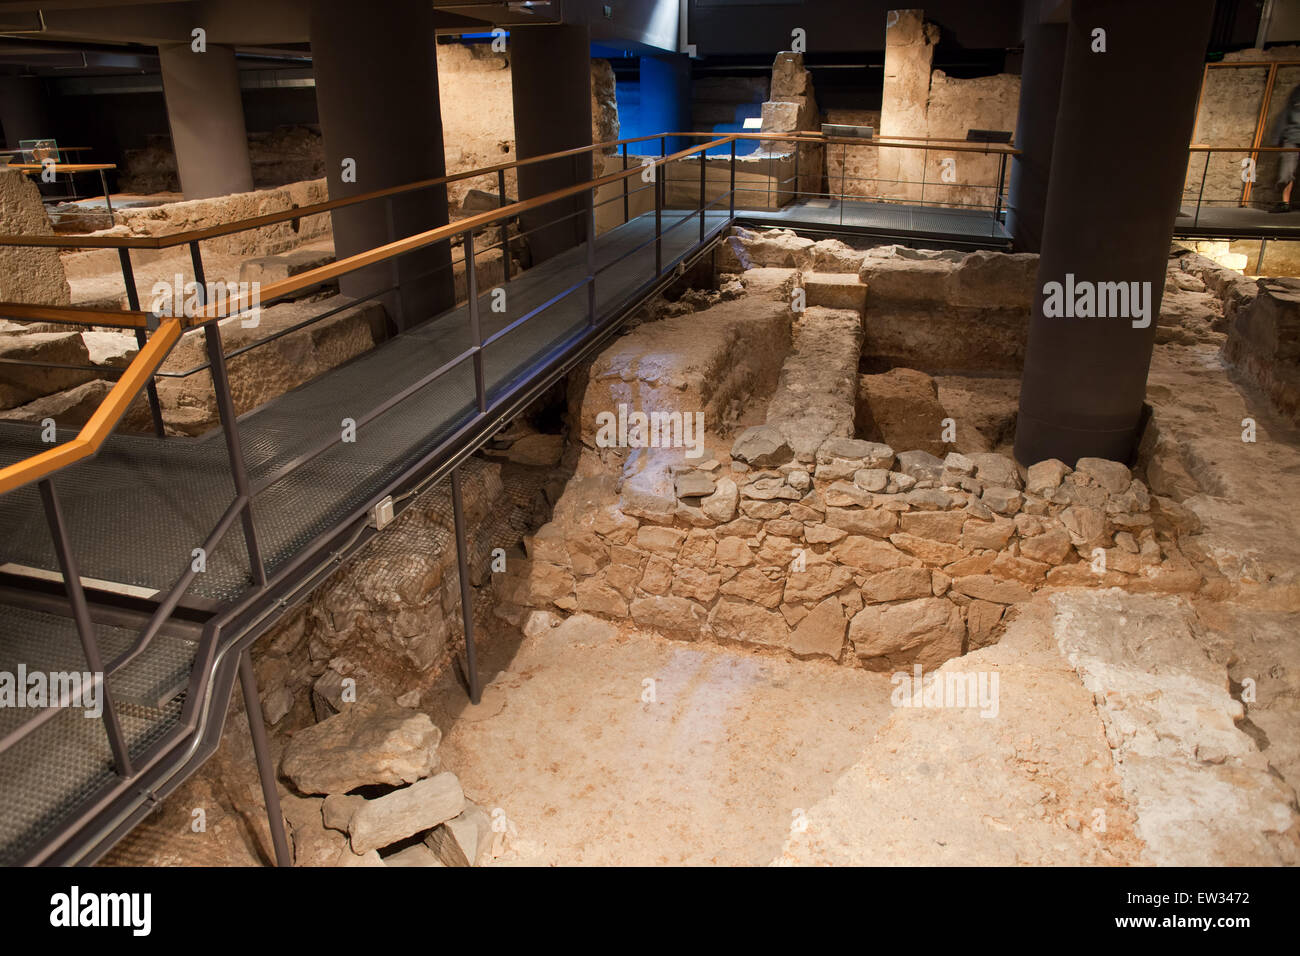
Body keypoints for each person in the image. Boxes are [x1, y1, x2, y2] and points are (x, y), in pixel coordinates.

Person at [1269, 83, 1300, 213]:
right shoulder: (1297, 92)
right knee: (1286, 173)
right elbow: (1285, 114)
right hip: (1292, 137)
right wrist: (1276, 137)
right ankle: (1284, 202)